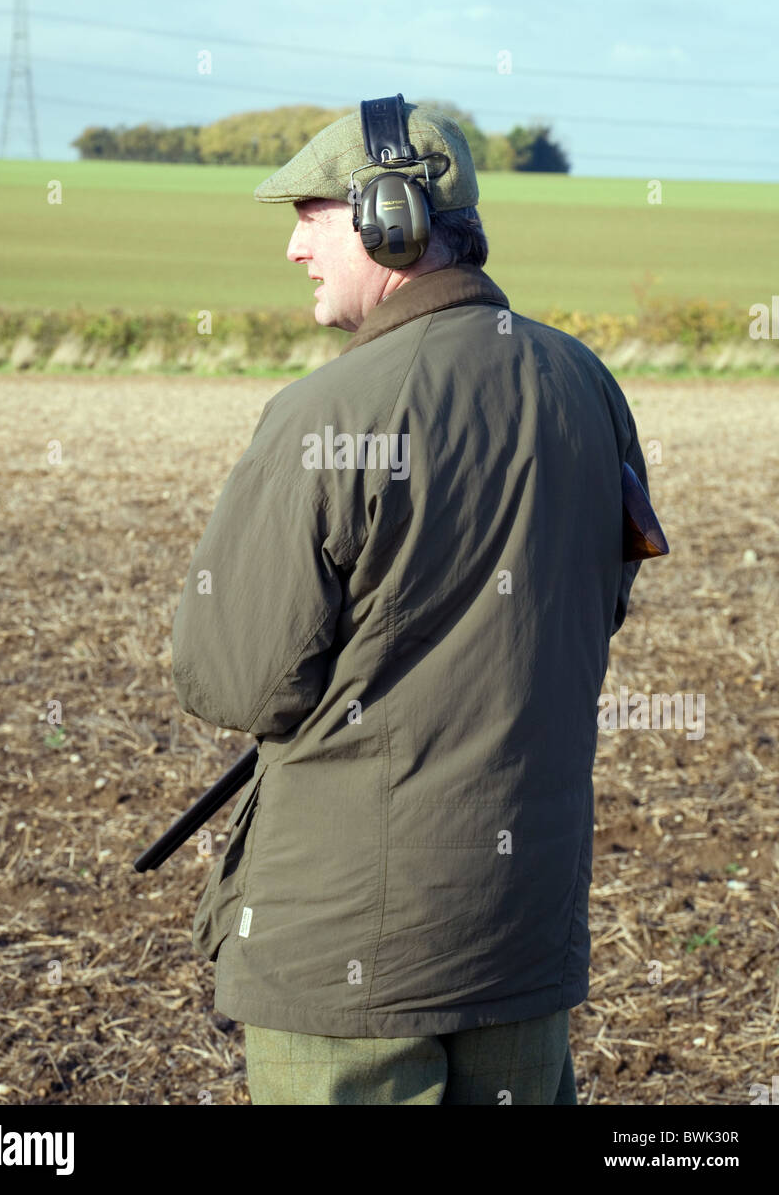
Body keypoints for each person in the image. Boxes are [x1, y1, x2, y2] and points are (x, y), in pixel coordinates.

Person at [171, 99, 649, 1105]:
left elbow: (231, 676)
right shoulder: (585, 384)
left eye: (310, 213)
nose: (293, 246)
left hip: (348, 955)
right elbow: (592, 610)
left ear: (390, 218)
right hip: (521, 930)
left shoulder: (324, 411)